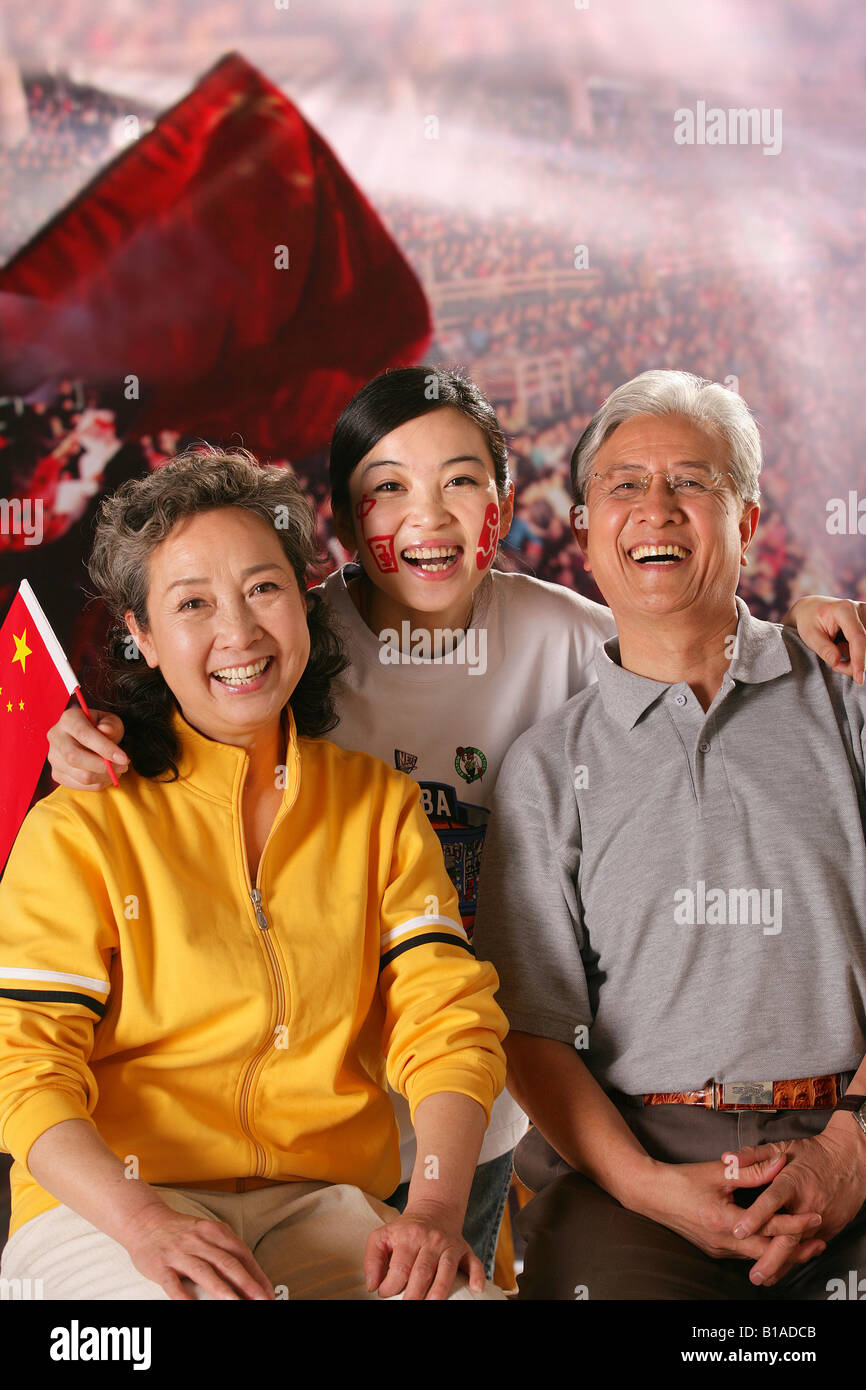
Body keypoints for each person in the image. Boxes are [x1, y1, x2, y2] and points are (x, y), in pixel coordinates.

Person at [38, 365, 866, 1281]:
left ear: (502, 509)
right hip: (322, 1089)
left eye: (460, 482)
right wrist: (87, 731)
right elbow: (191, 657)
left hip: (463, 1084)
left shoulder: (557, 635)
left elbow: (678, 619)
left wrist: (796, 635)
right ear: (347, 532)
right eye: (387, 489)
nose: (426, 519)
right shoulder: (280, 635)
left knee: (443, 1269)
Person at [0, 452, 509, 1301]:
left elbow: (447, 1022)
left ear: (304, 604)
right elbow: (26, 1071)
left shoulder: (377, 807)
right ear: (146, 637)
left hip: (325, 1208)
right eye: (192, 603)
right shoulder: (81, 819)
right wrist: (148, 1229)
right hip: (105, 1217)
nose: (238, 633)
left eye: (263, 588)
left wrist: (434, 1211)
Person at [472, 369, 866, 1300]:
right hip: (635, 1169)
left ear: (749, 522)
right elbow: (534, 1030)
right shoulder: (543, 766)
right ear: (582, 533)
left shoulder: (846, 697)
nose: (657, 508)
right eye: (623, 485)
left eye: (693, 482)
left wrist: (850, 1149)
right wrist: (645, 1185)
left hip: (847, 1128)